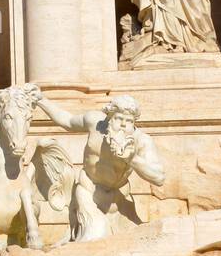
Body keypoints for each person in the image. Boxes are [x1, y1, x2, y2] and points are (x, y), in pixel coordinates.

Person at [35, 93, 165, 241]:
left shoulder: (142, 141)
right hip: (88, 191)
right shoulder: (95, 122)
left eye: (129, 121)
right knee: (96, 235)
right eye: (119, 119)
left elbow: (159, 178)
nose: (123, 125)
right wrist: (41, 100)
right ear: (109, 116)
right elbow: (67, 121)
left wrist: (132, 158)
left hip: (119, 199)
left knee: (138, 241)